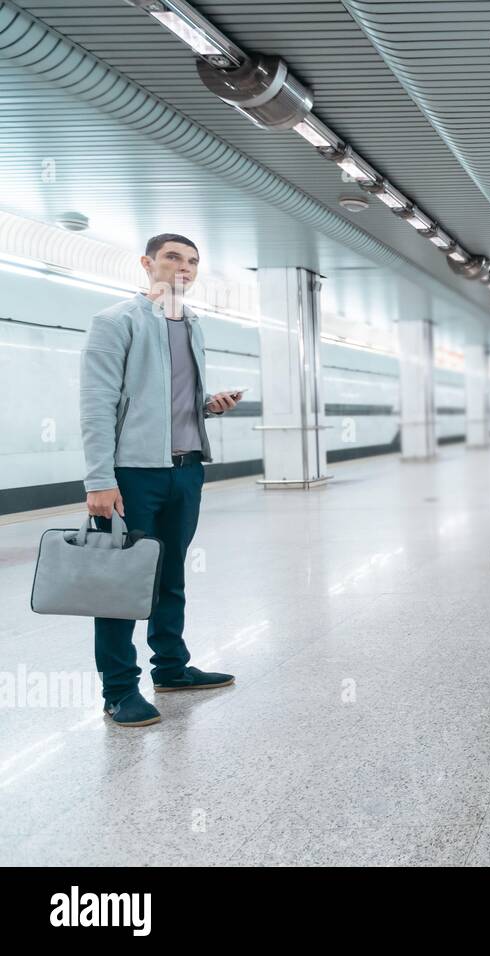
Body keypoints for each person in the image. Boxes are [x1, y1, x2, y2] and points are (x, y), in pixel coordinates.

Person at [81, 233, 244, 728]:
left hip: (186, 469)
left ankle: (171, 669)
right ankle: (119, 691)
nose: (184, 267)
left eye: (193, 261)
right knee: (120, 582)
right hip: (134, 474)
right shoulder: (116, 321)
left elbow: (168, 403)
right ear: (147, 263)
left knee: (170, 574)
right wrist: (99, 479)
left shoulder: (192, 324)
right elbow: (97, 405)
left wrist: (206, 408)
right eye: (173, 257)